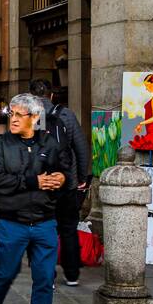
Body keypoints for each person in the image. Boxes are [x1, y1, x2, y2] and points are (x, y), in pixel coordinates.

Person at [0, 93, 73, 304]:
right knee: (5, 273)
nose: (14, 119)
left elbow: (65, 170)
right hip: (12, 222)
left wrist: (62, 179)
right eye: (12, 114)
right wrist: (35, 181)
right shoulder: (0, 145)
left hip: (44, 222)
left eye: (20, 115)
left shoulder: (50, 144)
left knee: (44, 278)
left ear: (35, 118)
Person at [31, 78, 92, 287]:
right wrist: (82, 178)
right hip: (67, 182)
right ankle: (72, 274)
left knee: (43, 229)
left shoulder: (28, 116)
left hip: (42, 184)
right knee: (68, 227)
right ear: (51, 95)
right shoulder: (66, 115)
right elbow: (81, 148)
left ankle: (48, 275)